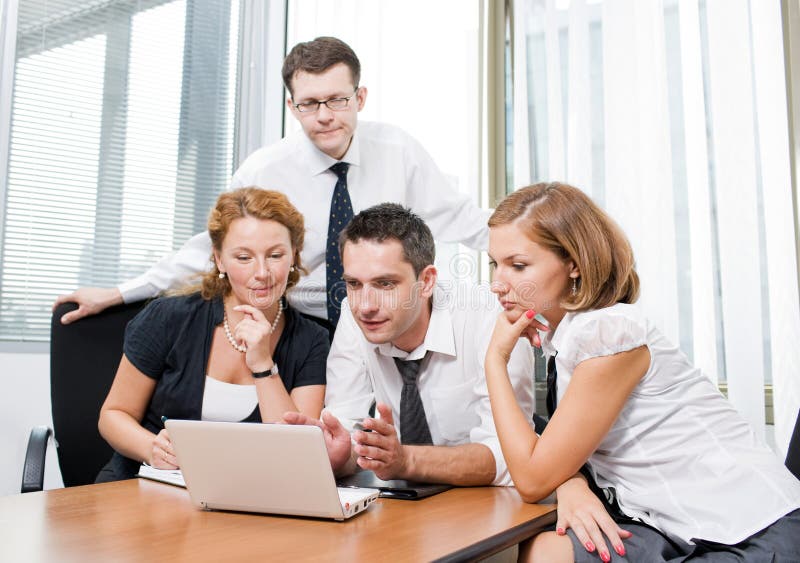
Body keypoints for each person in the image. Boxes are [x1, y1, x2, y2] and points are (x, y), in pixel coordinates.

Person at [54, 36, 490, 330]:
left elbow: (463, 221)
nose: (324, 116)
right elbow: (210, 249)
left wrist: (547, 244)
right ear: (291, 106)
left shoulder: (399, 150)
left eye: (337, 100)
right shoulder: (265, 170)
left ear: (359, 98)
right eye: (309, 104)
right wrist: (120, 292)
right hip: (306, 327)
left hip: (389, 321)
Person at [484, 182, 800, 562]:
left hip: (751, 530)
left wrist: (495, 362)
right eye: (494, 264)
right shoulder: (568, 340)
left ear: (574, 264)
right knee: (544, 550)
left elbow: (533, 478)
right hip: (668, 524)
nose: (497, 284)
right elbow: (558, 454)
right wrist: (571, 483)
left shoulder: (608, 334)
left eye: (518, 265)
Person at [96, 188, 329, 482]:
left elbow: (296, 454)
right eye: (244, 257)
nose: (262, 272)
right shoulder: (169, 318)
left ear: (294, 255)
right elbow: (113, 415)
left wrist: (263, 366)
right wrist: (151, 448)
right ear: (219, 259)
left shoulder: (311, 341)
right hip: (146, 485)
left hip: (247, 499)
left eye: (275, 255)